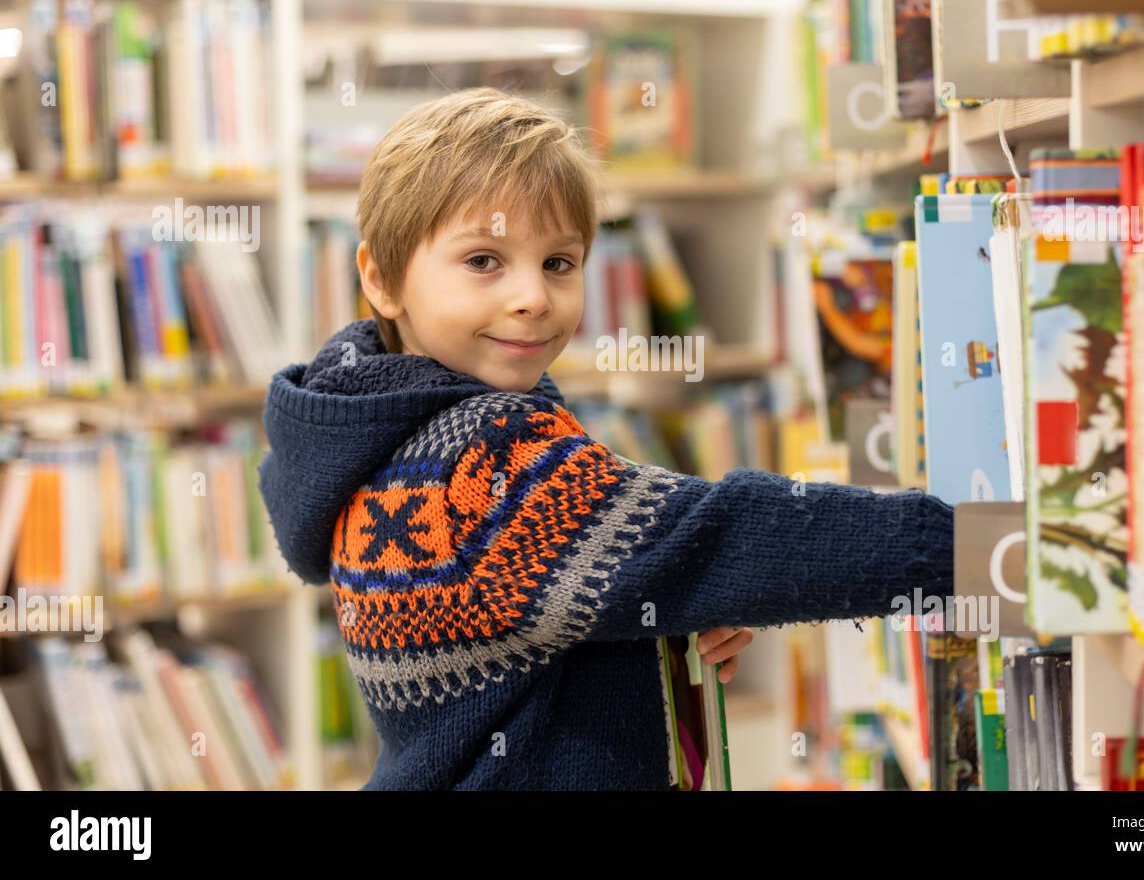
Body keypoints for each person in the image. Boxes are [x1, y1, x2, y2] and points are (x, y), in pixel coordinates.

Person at [259, 88, 954, 789]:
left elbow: (516, 637)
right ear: (382, 279)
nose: (532, 296)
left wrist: (658, 636)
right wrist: (961, 547)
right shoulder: (485, 453)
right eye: (483, 261)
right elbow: (722, 535)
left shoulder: (383, 443)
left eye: (558, 263)